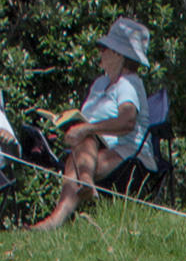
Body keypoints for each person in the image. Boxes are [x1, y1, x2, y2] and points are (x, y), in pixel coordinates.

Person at [29, 16, 150, 230]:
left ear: (119, 55)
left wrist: (87, 128)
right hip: (93, 150)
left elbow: (128, 120)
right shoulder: (100, 84)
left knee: (81, 147)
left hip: (128, 153)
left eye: (105, 47)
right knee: (82, 145)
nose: (100, 51)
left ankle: (56, 219)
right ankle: (83, 183)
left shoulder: (129, 84)